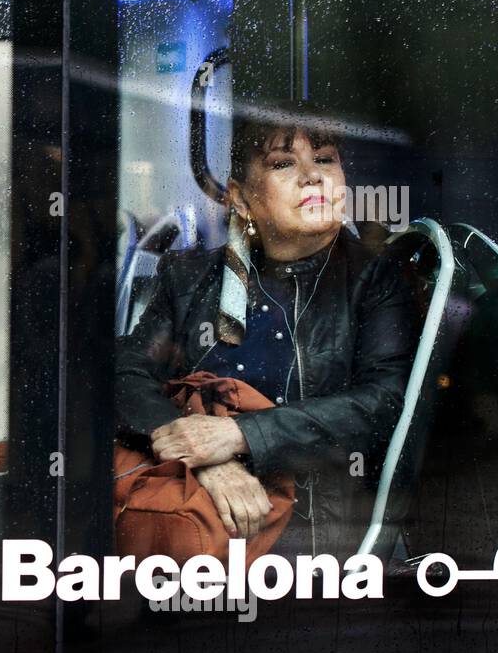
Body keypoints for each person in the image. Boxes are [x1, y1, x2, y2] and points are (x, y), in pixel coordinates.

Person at [115, 107, 419, 558]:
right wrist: (203, 462)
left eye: (325, 159)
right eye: (283, 163)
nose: (312, 177)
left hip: (323, 538)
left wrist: (239, 438)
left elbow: (387, 401)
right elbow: (122, 374)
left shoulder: (376, 278)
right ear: (240, 198)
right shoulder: (188, 277)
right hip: (203, 529)